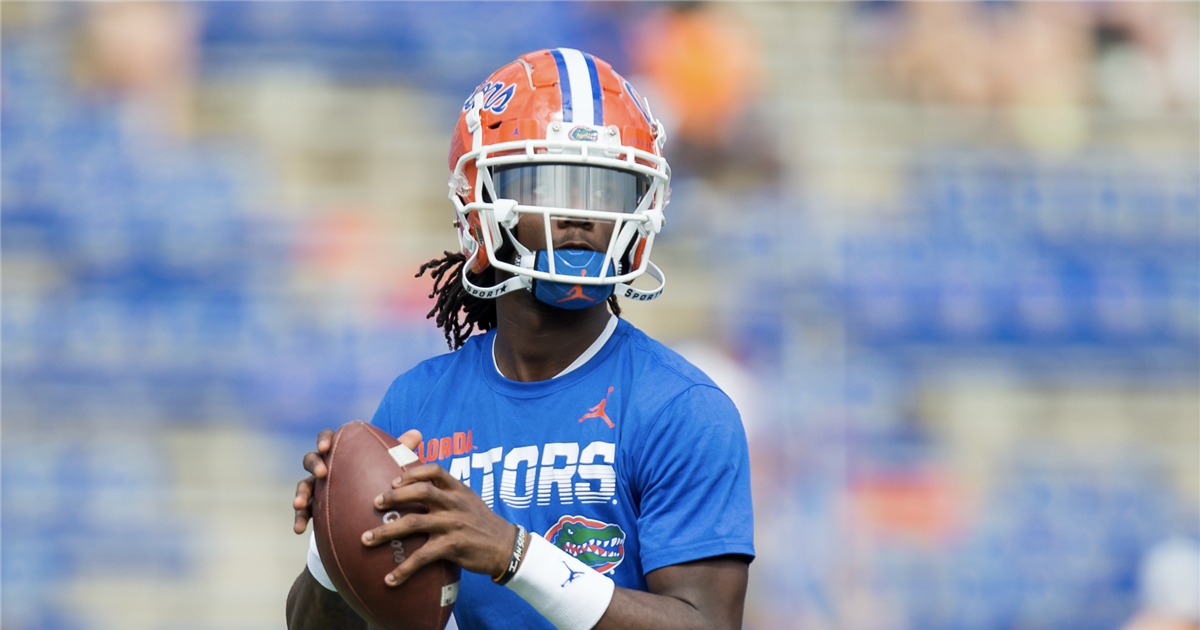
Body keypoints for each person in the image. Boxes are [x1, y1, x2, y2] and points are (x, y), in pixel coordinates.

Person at [286, 48, 755, 630]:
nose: (580, 215)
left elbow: (707, 624)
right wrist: (338, 525)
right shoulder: (417, 403)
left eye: (604, 190)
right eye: (548, 184)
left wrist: (515, 555)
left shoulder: (681, 407)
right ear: (478, 206)